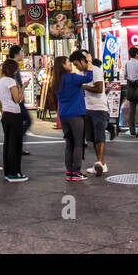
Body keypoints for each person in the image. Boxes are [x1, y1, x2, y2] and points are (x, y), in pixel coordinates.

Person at [58, 52, 93, 181]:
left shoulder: (57, 80)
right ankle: (76, 171)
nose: (71, 64)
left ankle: (69, 171)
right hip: (76, 114)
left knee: (69, 144)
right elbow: (88, 77)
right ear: (63, 65)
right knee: (78, 143)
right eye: (68, 62)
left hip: (64, 115)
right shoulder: (72, 77)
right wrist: (89, 61)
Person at [0, 59, 27, 181]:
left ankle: (8, 172)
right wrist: (23, 88)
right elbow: (17, 99)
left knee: (8, 144)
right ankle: (14, 173)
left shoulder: (0, 81)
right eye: (16, 69)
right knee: (15, 145)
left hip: (5, 114)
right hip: (14, 114)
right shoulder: (10, 81)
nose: (16, 71)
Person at [80, 50, 108, 176]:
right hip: (88, 108)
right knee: (92, 138)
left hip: (99, 108)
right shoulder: (82, 73)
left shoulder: (95, 70)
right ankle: (100, 163)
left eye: (77, 64)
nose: (77, 67)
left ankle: (100, 162)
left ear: (83, 61)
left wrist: (83, 87)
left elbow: (99, 88)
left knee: (99, 136)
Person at [124, 46, 138, 137]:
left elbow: (125, 76)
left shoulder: (127, 64)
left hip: (130, 89)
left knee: (132, 111)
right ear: (137, 54)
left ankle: (132, 130)